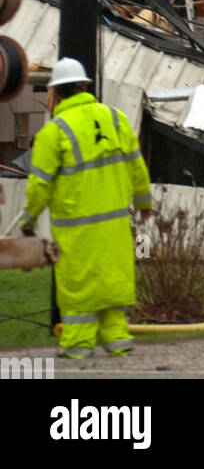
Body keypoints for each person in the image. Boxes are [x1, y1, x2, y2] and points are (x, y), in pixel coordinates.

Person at [20, 57, 152, 361]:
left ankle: (77, 345)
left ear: (57, 94)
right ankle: (118, 338)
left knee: (79, 287)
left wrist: (28, 220)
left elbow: (40, 185)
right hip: (115, 225)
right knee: (112, 280)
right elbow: (137, 166)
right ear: (84, 86)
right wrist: (144, 204)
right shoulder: (117, 119)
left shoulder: (54, 132)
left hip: (75, 229)